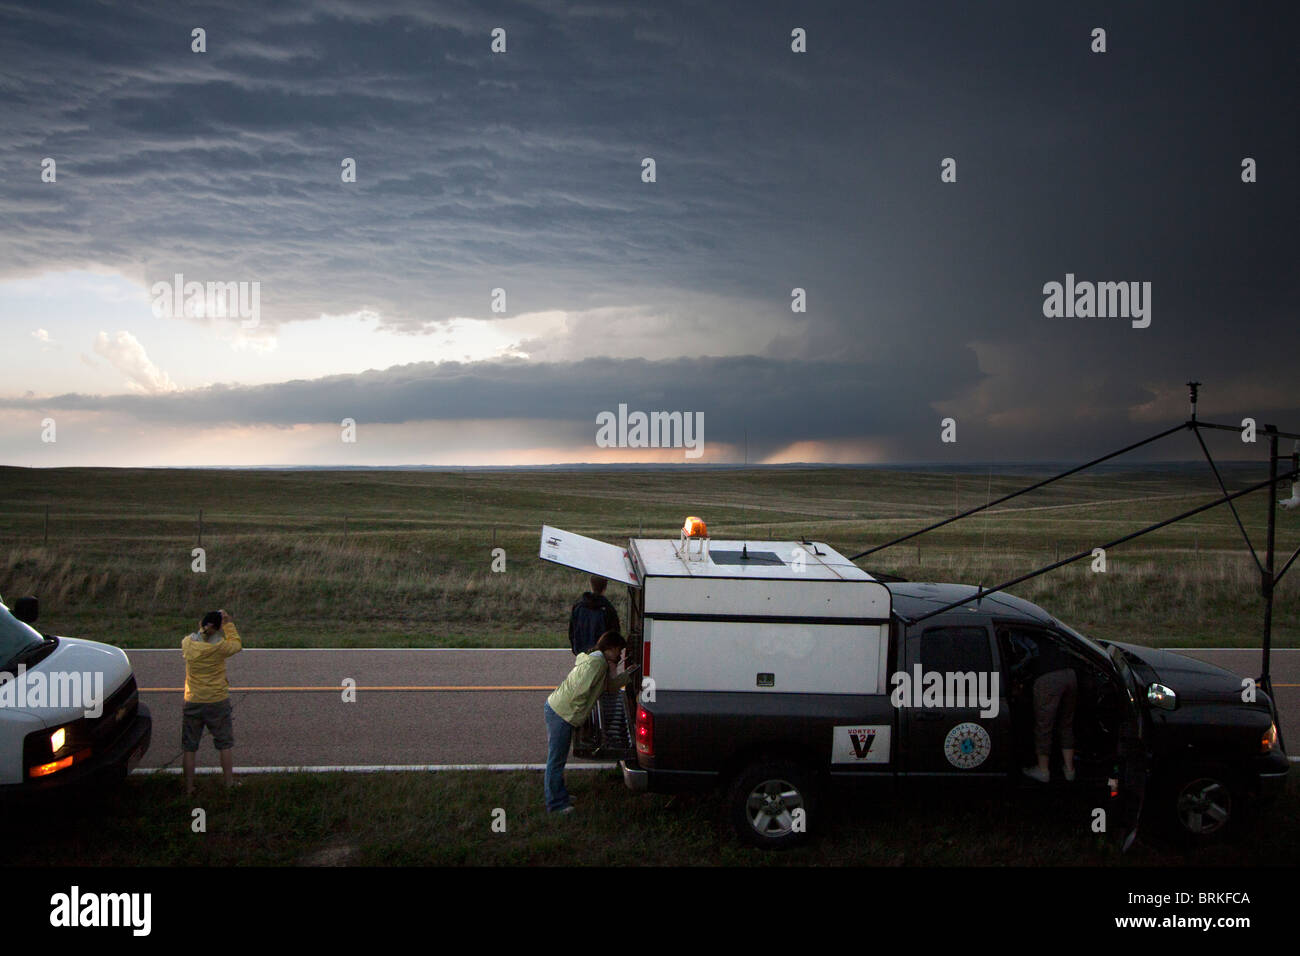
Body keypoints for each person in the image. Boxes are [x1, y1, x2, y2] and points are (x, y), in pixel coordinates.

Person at [543, 630, 635, 813]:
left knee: (558, 758)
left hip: (559, 710)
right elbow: (580, 691)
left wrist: (628, 675)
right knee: (556, 760)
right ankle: (555, 804)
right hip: (562, 713)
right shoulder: (597, 663)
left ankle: (559, 794)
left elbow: (608, 687)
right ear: (611, 648)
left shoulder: (596, 660)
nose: (619, 656)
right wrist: (582, 718)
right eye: (619, 651)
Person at [181, 609, 242, 795]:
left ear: (201, 623)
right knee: (224, 743)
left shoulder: (187, 643)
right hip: (217, 699)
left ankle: (189, 787)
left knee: (190, 746)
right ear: (219, 628)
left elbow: (198, 635)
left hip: (193, 699)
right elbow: (237, 645)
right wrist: (229, 624)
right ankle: (228, 782)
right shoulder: (221, 647)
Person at [1009, 630, 1077, 783]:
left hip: (1047, 677)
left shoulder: (1018, 634)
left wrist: (1012, 672)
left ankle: (1043, 770)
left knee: (1043, 725)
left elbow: (1026, 656)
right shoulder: (1045, 629)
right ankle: (1069, 769)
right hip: (1070, 673)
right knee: (1066, 724)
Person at [568, 575, 619, 656]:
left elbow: (572, 631)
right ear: (605, 587)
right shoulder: (608, 608)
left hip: (581, 652)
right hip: (601, 654)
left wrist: (576, 649)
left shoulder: (578, 607)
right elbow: (614, 634)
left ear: (591, 585)